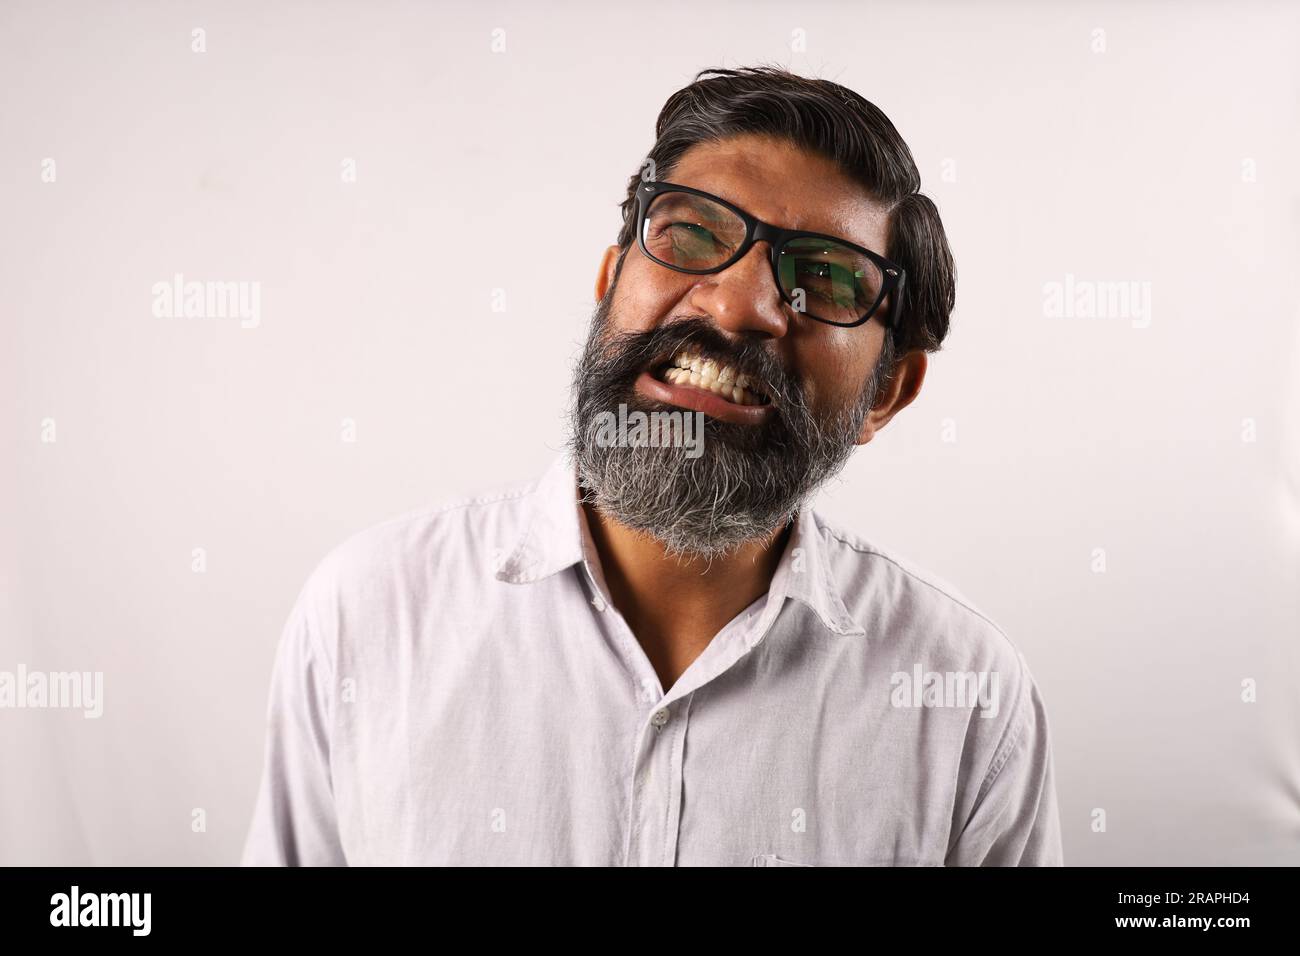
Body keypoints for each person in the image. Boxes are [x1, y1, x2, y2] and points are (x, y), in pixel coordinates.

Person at [241, 65, 1063, 866]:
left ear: (887, 391)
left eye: (824, 278)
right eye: (693, 235)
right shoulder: (369, 613)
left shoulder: (967, 697)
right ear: (609, 285)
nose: (739, 305)